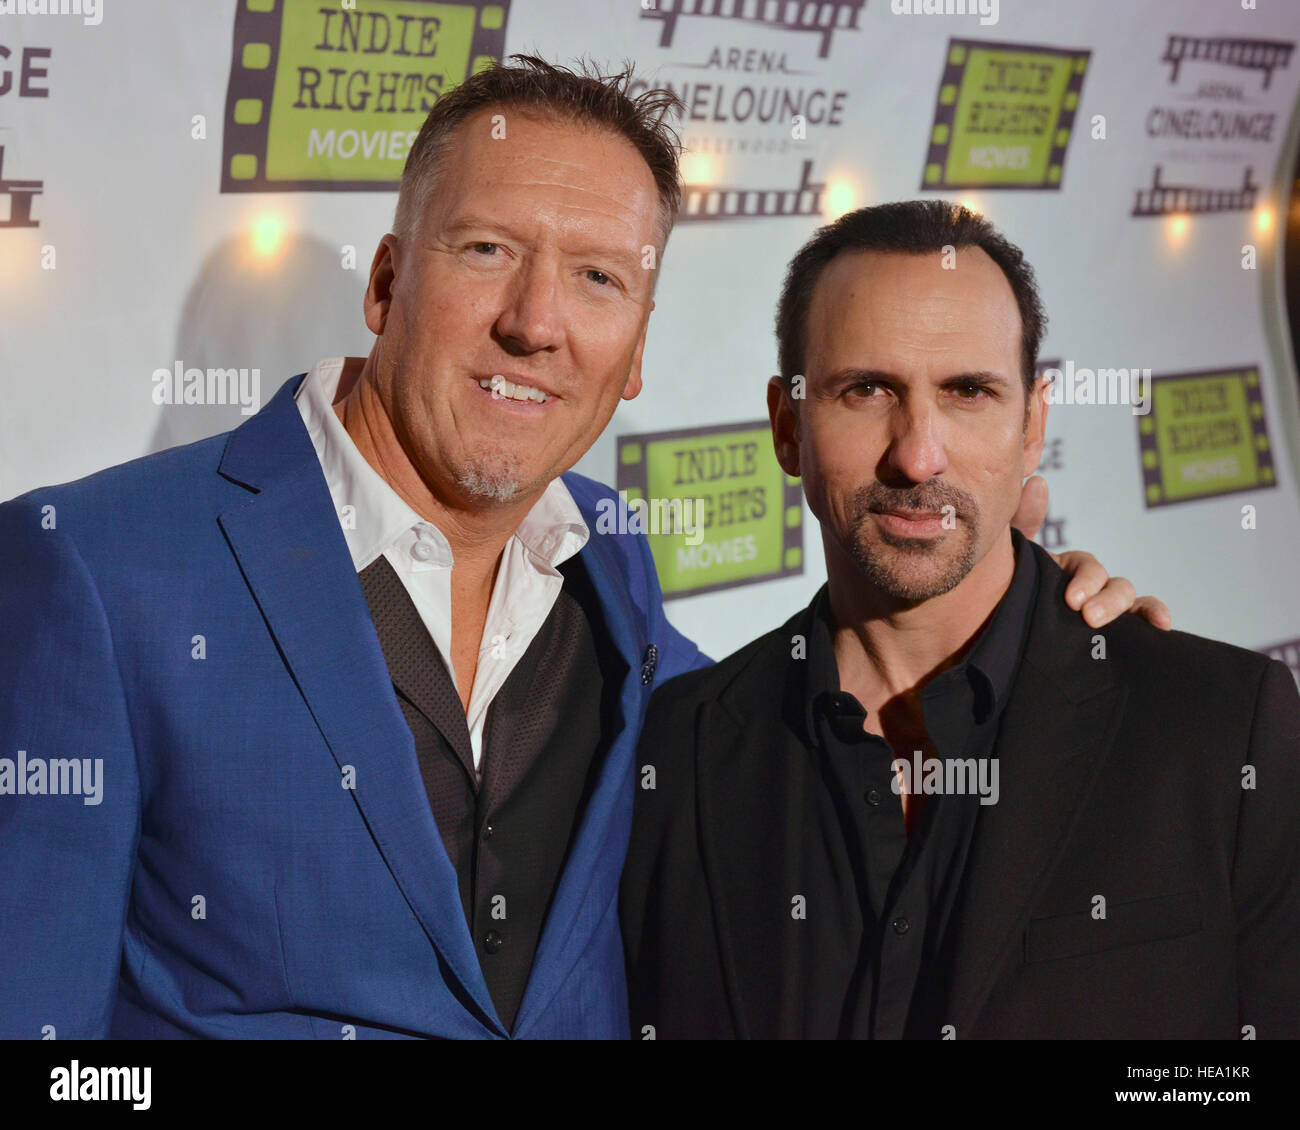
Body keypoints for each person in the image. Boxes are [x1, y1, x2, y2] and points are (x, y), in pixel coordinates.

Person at [0, 61, 1158, 1040]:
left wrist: (1040, 632)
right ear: (389, 281)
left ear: (637, 351)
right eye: (488, 249)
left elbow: (787, 735)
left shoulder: (612, 566)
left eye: (599, 277)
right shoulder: (95, 569)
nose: (537, 322)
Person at [620, 200, 1300, 1040]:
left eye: (968, 391)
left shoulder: (1222, 726)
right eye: (866, 390)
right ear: (787, 426)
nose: (917, 455)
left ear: (1032, 425)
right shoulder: (672, 757)